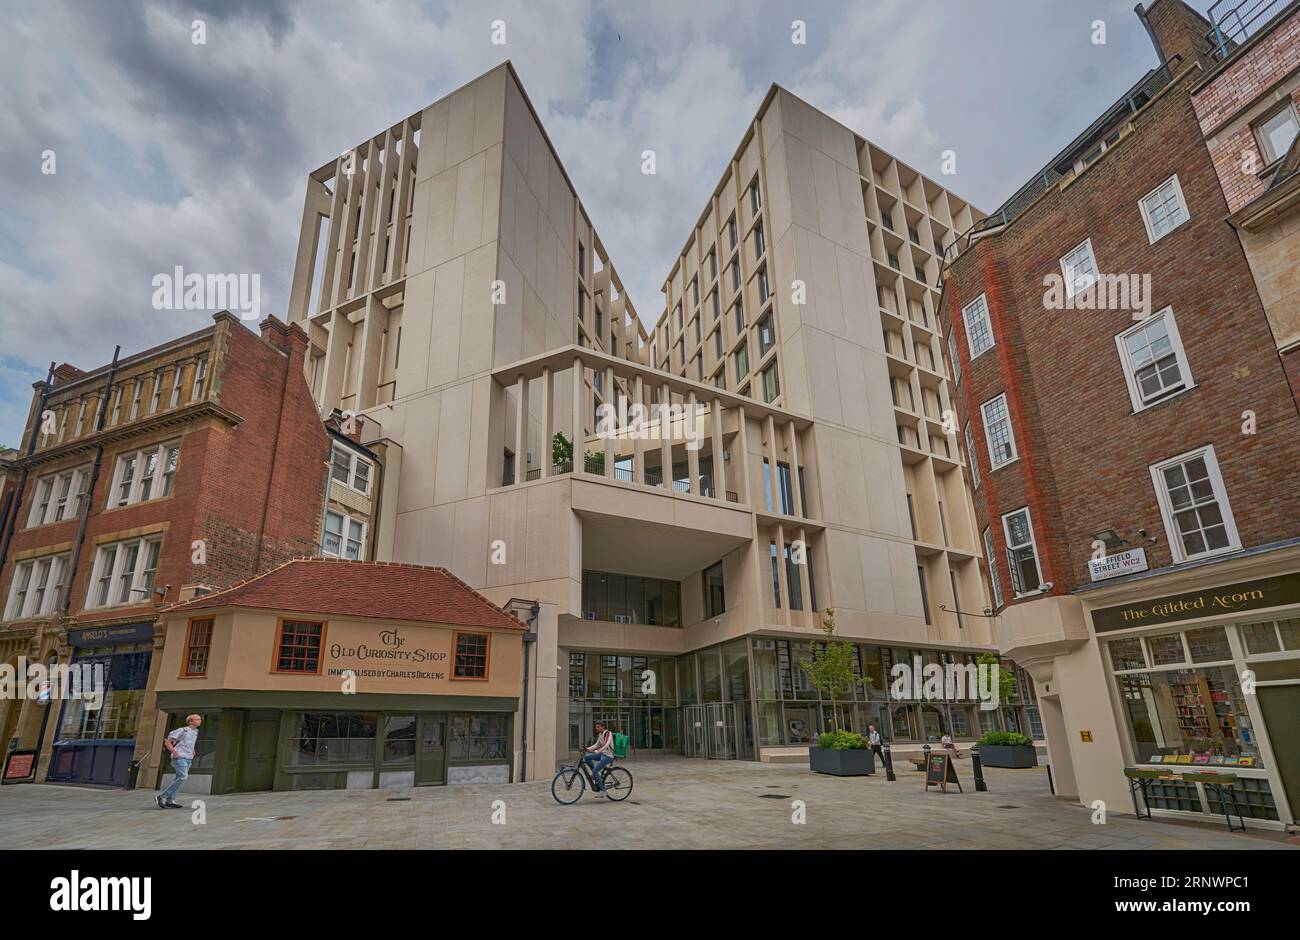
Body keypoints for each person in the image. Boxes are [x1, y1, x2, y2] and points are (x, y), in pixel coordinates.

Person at [157, 714, 202, 809]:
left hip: (189, 758)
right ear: (190, 721)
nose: (200, 720)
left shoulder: (196, 731)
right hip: (179, 757)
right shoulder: (182, 730)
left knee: (179, 778)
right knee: (183, 777)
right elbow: (168, 742)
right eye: (197, 719)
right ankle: (162, 796)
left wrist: (192, 750)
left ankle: (170, 800)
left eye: (200, 719)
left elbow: (189, 743)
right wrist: (174, 752)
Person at [582, 720, 615, 799]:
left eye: (598, 727)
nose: (596, 728)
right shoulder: (600, 735)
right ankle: (596, 774)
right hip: (602, 754)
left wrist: (598, 751)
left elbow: (605, 744)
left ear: (603, 727)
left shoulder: (608, 733)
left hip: (608, 756)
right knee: (587, 757)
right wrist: (587, 749)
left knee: (595, 771)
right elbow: (596, 745)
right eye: (596, 727)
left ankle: (603, 791)